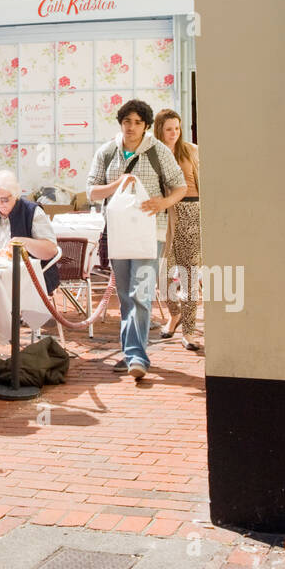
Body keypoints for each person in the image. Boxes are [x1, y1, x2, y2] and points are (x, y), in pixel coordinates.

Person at [86, 99, 186, 381]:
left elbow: (180, 187)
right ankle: (132, 352)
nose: (131, 127)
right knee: (125, 297)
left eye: (138, 123)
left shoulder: (158, 152)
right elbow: (92, 191)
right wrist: (118, 184)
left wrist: (162, 202)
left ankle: (137, 357)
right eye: (127, 121)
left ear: (145, 126)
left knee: (141, 293)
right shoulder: (107, 152)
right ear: (121, 123)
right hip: (118, 234)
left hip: (149, 233)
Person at [154, 108, 202, 350]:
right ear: (160, 130)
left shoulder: (191, 150)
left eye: (177, 128)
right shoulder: (155, 154)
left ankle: (190, 331)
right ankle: (174, 315)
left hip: (193, 213)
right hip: (167, 217)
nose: (174, 133)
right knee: (162, 275)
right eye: (169, 129)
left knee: (190, 276)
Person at [0, 170, 61, 294]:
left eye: (5, 200)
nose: (0, 204)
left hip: (28, 278)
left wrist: (23, 242)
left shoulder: (32, 211)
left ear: (16, 195)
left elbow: (51, 250)